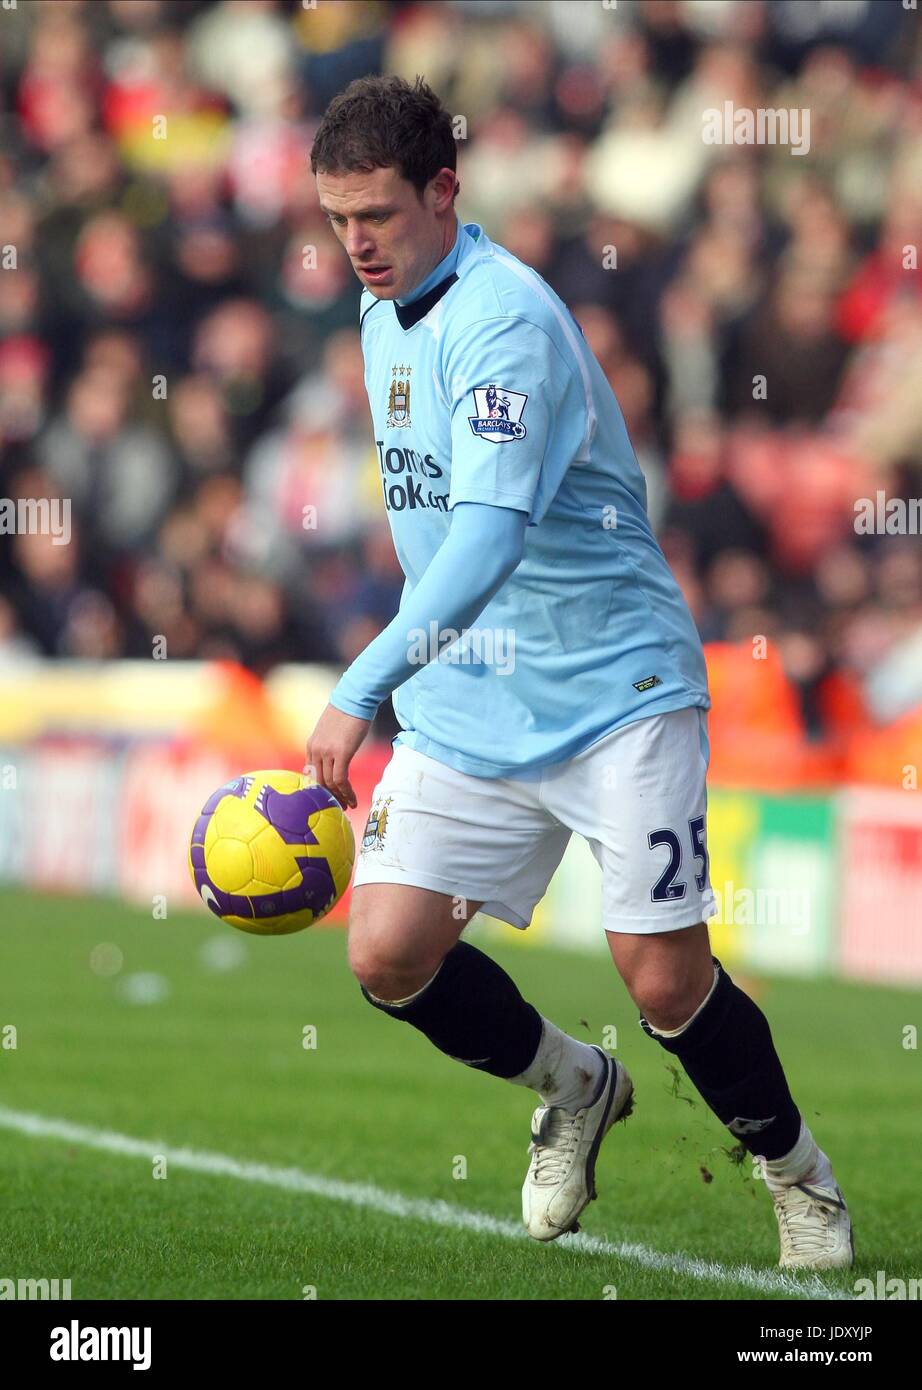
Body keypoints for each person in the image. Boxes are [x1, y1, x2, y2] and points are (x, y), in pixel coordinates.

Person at [305, 74, 852, 1268]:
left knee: (662, 976)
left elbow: (489, 538)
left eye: (377, 216)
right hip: (469, 701)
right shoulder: (381, 303)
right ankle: (576, 1086)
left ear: (445, 192)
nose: (355, 245)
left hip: (613, 691)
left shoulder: (505, 322)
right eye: (337, 219)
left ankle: (800, 1177)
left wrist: (361, 684)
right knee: (387, 954)